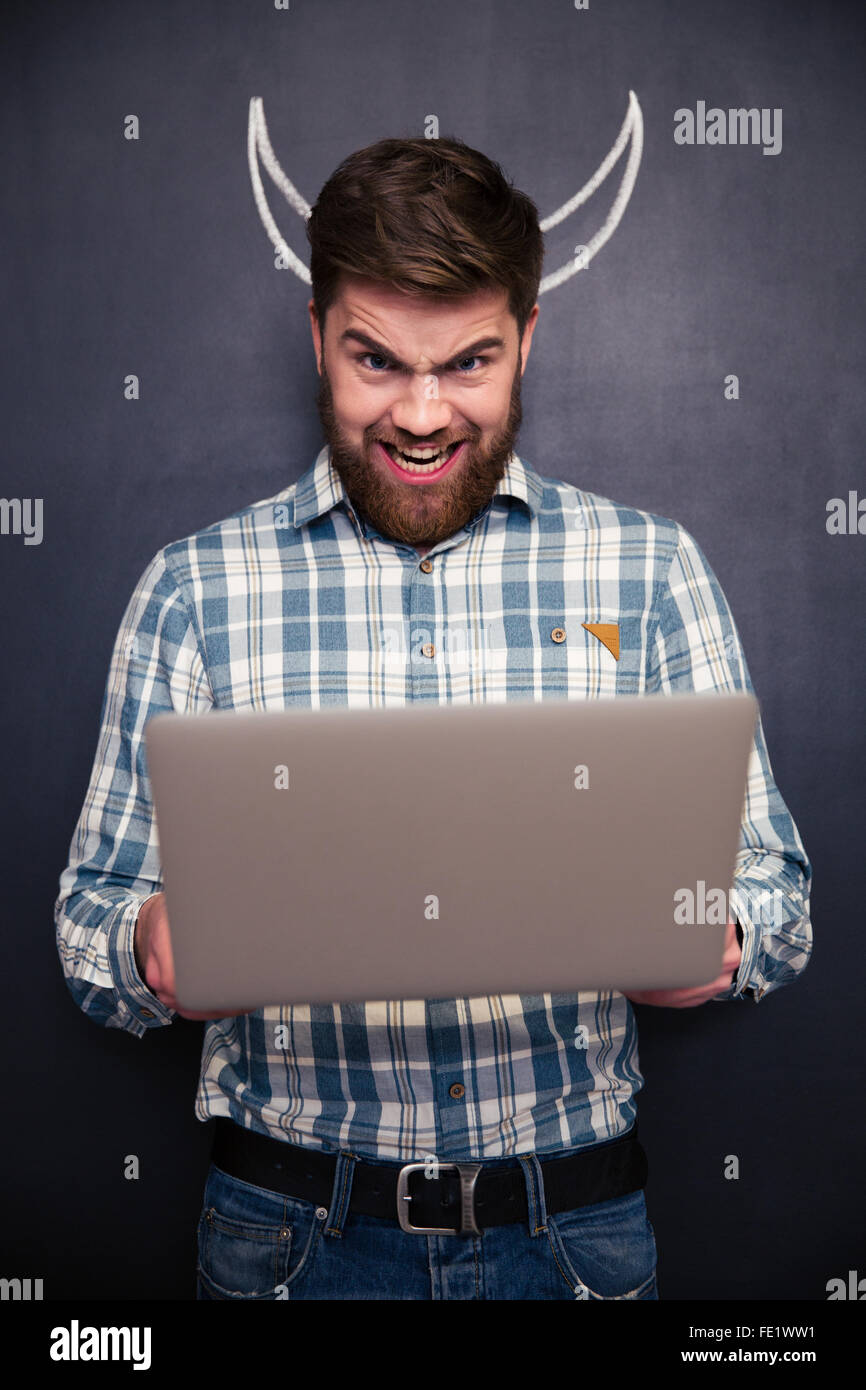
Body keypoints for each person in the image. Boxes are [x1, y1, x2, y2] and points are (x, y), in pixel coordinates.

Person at [55, 135, 812, 1301]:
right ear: (316, 336)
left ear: (527, 341)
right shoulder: (192, 589)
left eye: (466, 363)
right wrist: (148, 948)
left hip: (570, 1233)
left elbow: (778, 896)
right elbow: (86, 924)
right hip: (286, 1235)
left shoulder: (648, 571)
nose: (418, 414)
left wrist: (717, 934)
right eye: (374, 360)